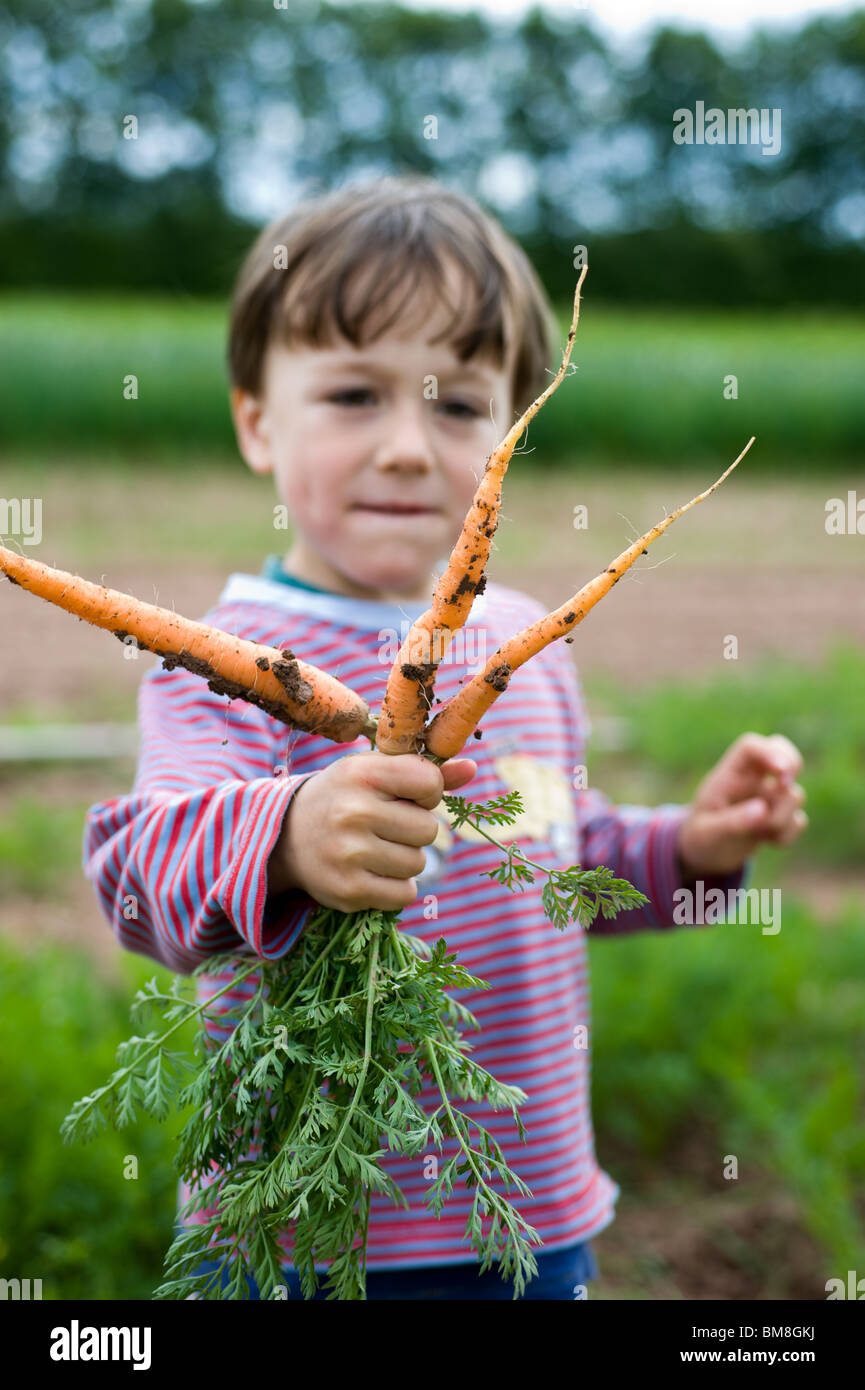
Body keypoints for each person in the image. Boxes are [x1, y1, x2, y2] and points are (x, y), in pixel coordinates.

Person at [84, 174, 807, 1300]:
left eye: (461, 407)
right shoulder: (223, 658)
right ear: (254, 420)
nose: (412, 449)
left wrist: (696, 852)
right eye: (356, 396)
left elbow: (560, 863)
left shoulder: (523, 640)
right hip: (300, 1227)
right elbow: (138, 880)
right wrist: (286, 836)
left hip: (528, 1214)